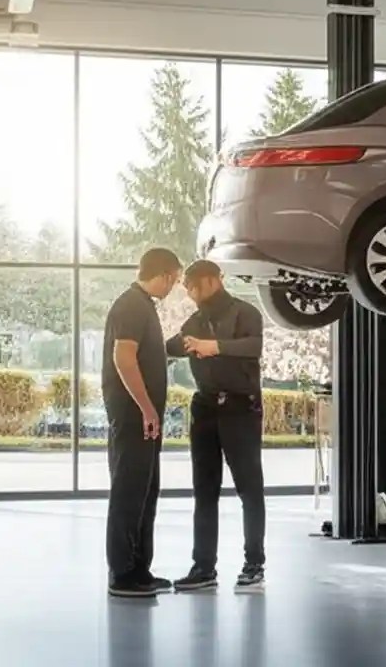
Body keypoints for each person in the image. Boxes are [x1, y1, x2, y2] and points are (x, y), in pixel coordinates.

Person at [166, 260, 267, 593]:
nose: (189, 293)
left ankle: (254, 565)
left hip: (241, 409)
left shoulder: (246, 312)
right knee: (204, 492)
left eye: (191, 287)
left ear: (210, 282)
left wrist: (216, 347)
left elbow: (254, 346)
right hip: (205, 409)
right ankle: (203, 567)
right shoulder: (194, 322)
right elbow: (168, 347)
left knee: (249, 489)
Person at [104, 247, 183, 597]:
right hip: (134, 416)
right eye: (175, 280)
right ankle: (122, 574)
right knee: (129, 491)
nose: (173, 288)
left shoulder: (142, 306)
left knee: (145, 491)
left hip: (144, 419)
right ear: (164, 275)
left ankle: (139, 569)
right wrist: (148, 409)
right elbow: (123, 358)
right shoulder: (132, 305)